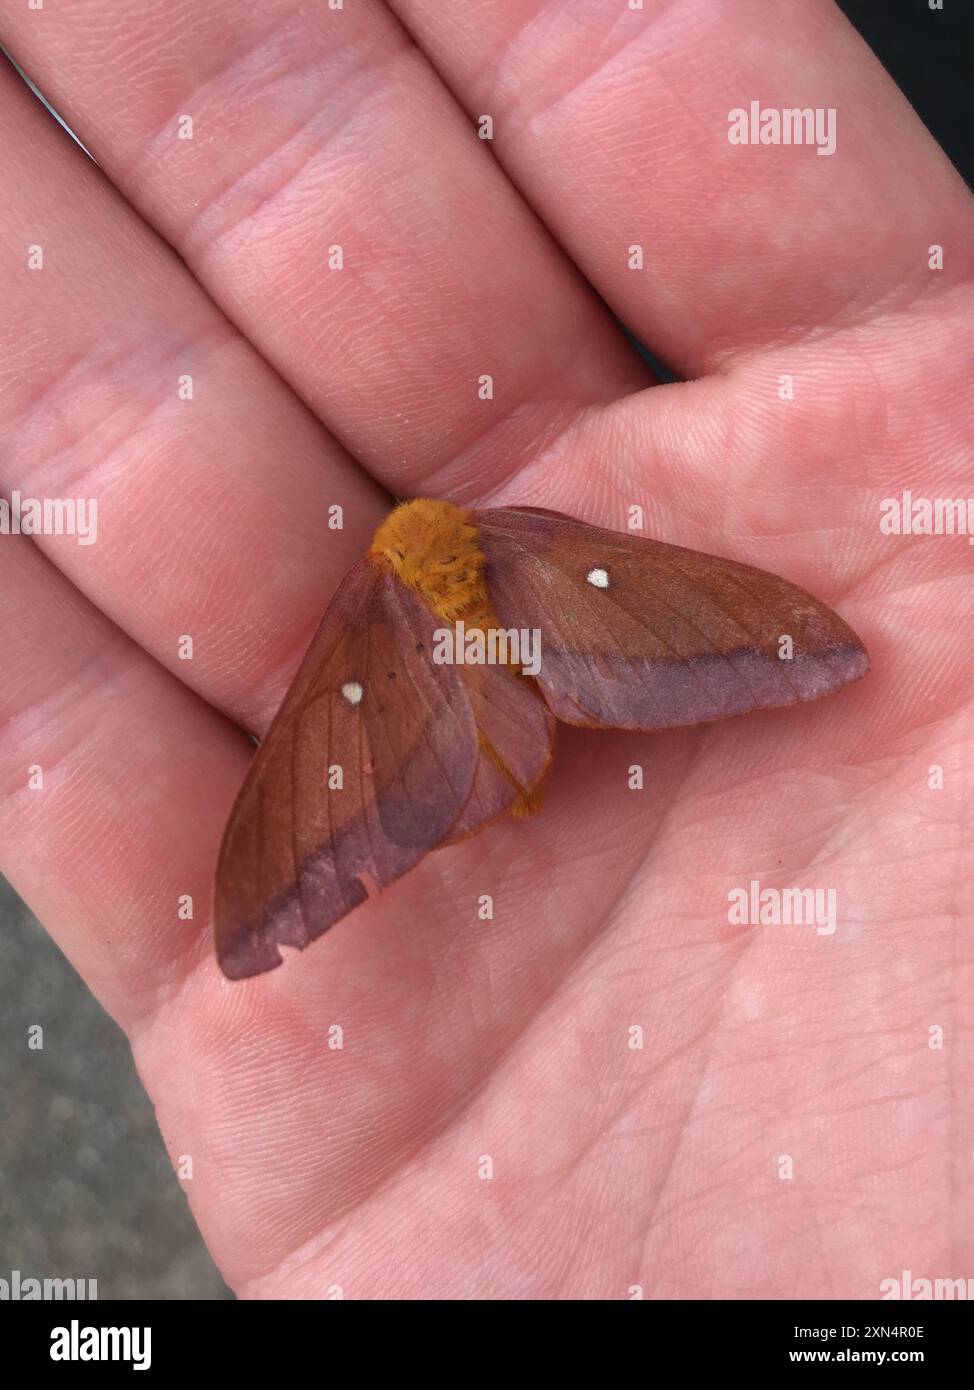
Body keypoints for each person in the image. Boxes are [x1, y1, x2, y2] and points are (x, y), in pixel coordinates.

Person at [0, 0, 969, 1299]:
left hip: (439, 702)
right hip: (537, 601)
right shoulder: (523, 545)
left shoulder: (370, 609)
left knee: (402, 745)